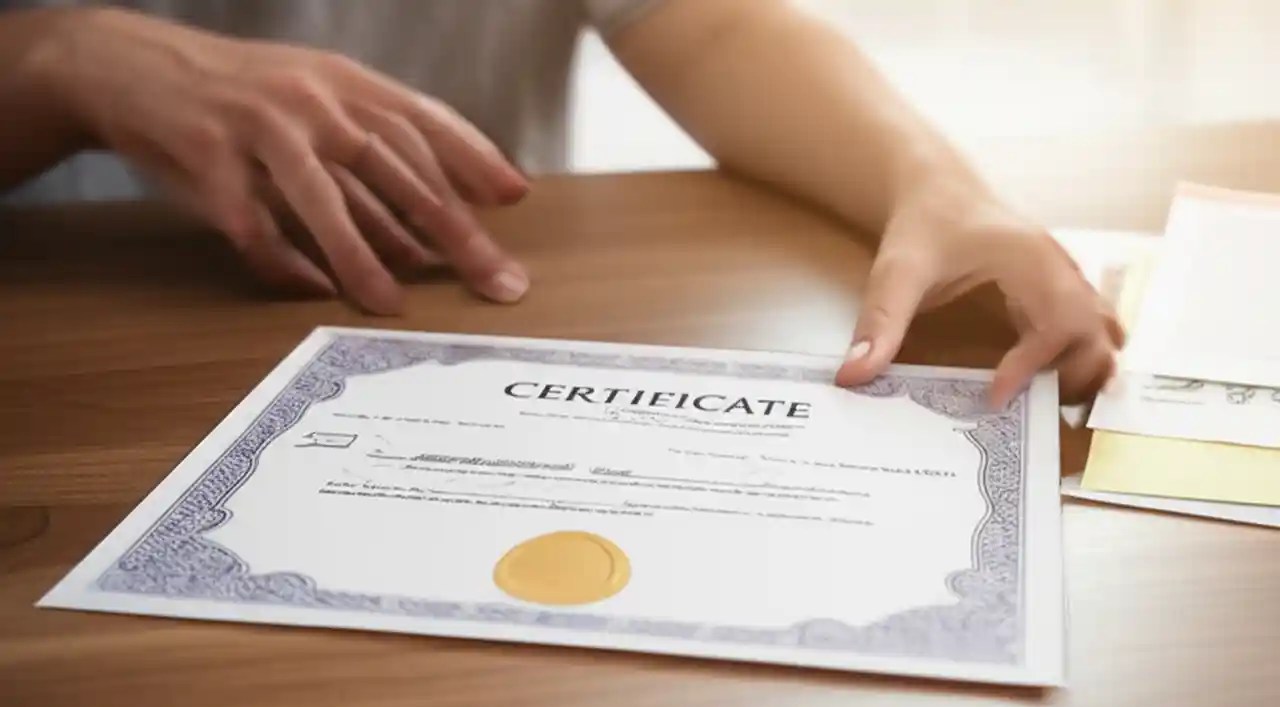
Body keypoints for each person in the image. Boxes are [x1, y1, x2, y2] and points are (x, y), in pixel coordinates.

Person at [0, 0, 1121, 407]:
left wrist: (933, 183)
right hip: (75, 334)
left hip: (459, 311)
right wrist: (54, 59)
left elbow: (710, 27)